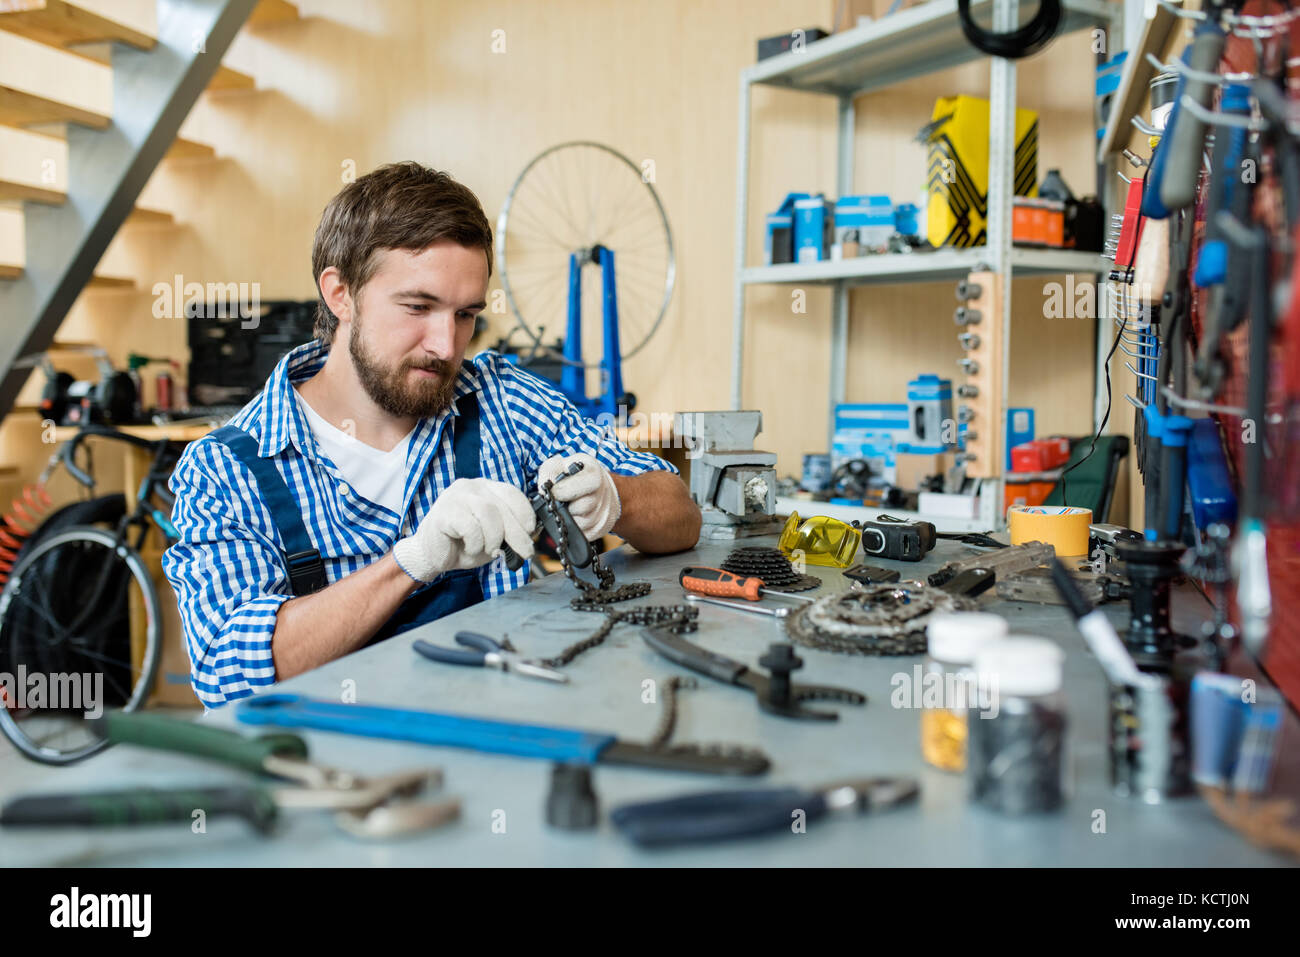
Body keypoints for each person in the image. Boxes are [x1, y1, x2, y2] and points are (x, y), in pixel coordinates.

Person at [162, 161, 701, 708]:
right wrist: (411, 562)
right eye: (418, 307)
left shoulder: (503, 400)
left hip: (496, 737)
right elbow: (227, 676)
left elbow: (681, 517)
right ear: (340, 293)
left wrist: (613, 496)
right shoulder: (229, 469)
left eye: (466, 314)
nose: (446, 345)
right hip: (334, 773)